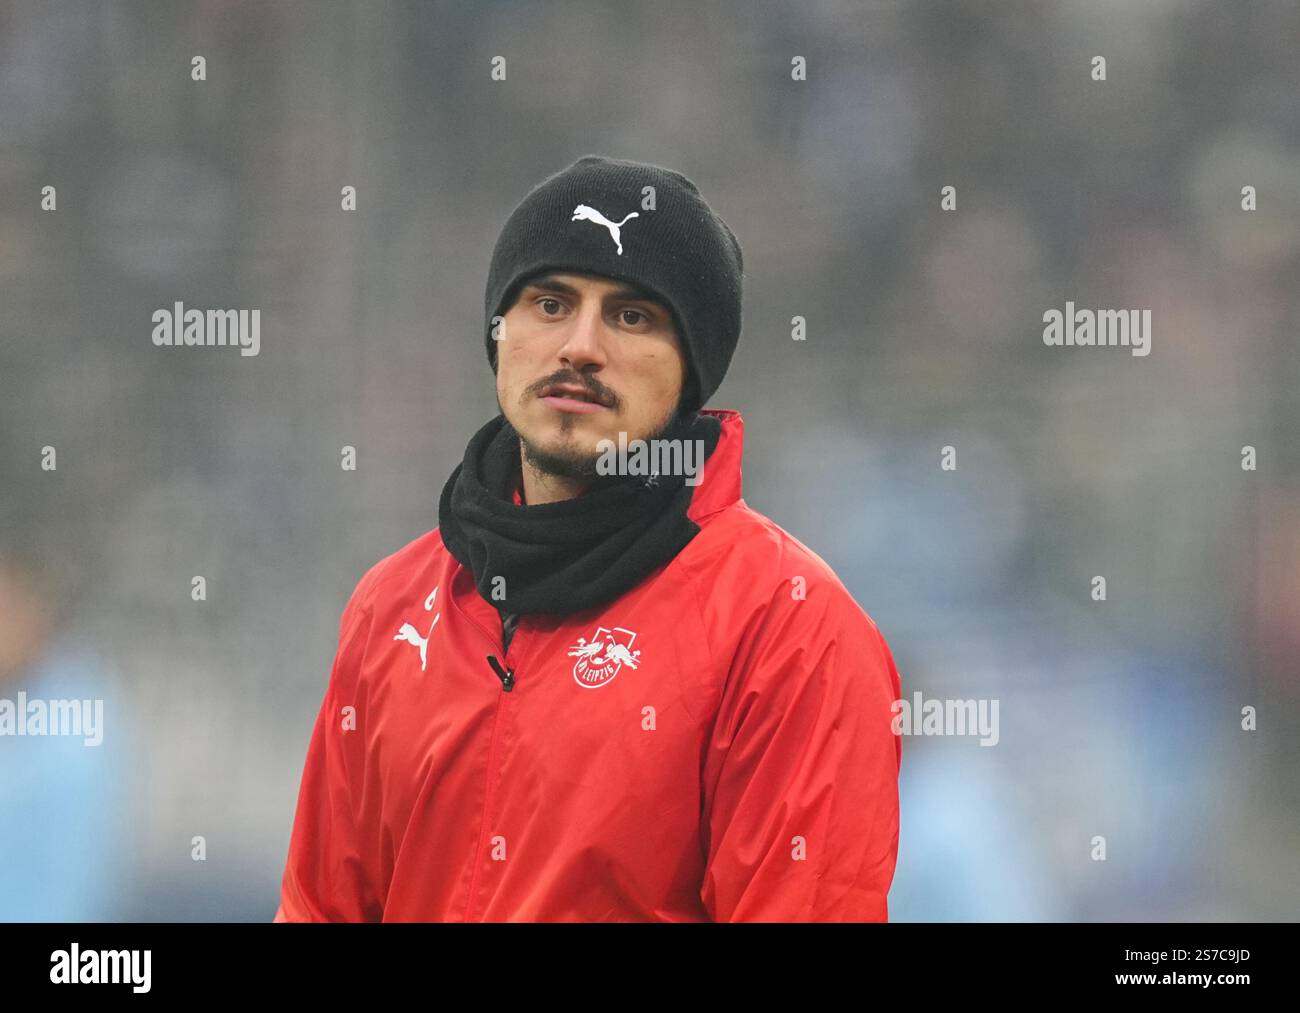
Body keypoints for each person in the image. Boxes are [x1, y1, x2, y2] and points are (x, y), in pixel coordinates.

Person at [274, 154, 902, 922]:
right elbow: (318, 909)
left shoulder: (789, 627)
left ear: (691, 372)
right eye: (548, 302)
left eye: (632, 315)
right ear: (499, 334)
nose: (580, 345)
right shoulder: (391, 608)